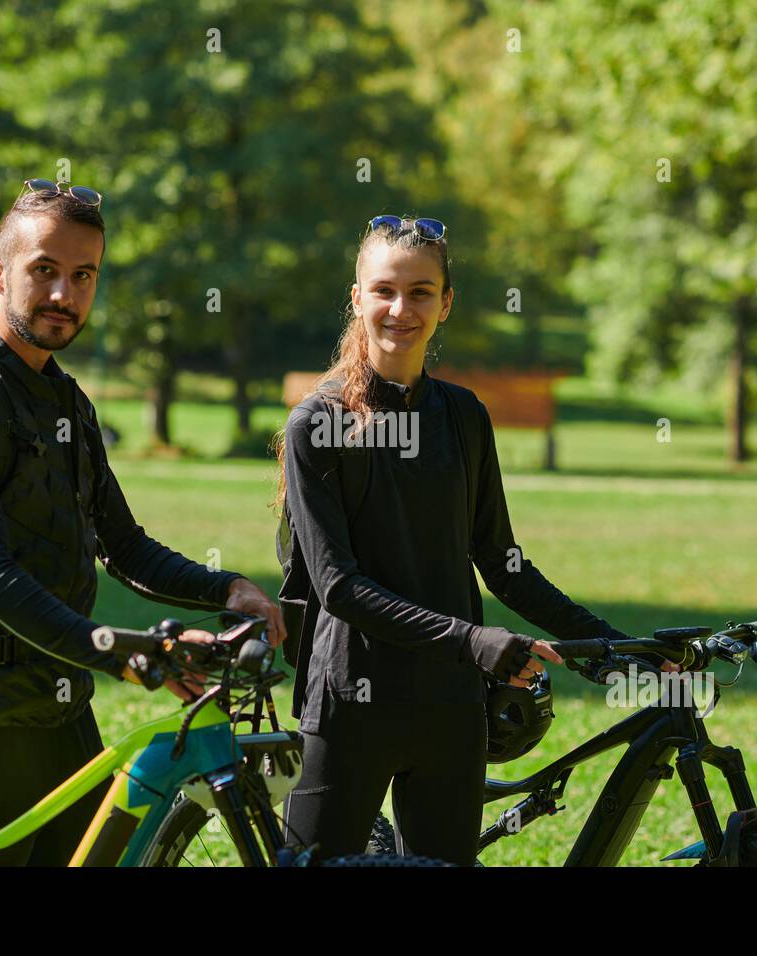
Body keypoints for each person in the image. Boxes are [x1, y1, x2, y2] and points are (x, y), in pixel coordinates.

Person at [0, 180, 285, 865]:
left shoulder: (67, 401)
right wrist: (126, 654)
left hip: (64, 718)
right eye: (43, 270)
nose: (63, 295)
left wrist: (226, 589)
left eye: (83, 276)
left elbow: (125, 546)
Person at [277, 215, 632, 865]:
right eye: (384, 290)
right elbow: (339, 587)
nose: (400, 307)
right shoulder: (316, 424)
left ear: (445, 304)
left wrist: (605, 644)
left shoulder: (463, 417)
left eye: (420, 292)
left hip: (450, 706)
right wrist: (476, 640)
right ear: (357, 299)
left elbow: (502, 562)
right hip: (351, 702)